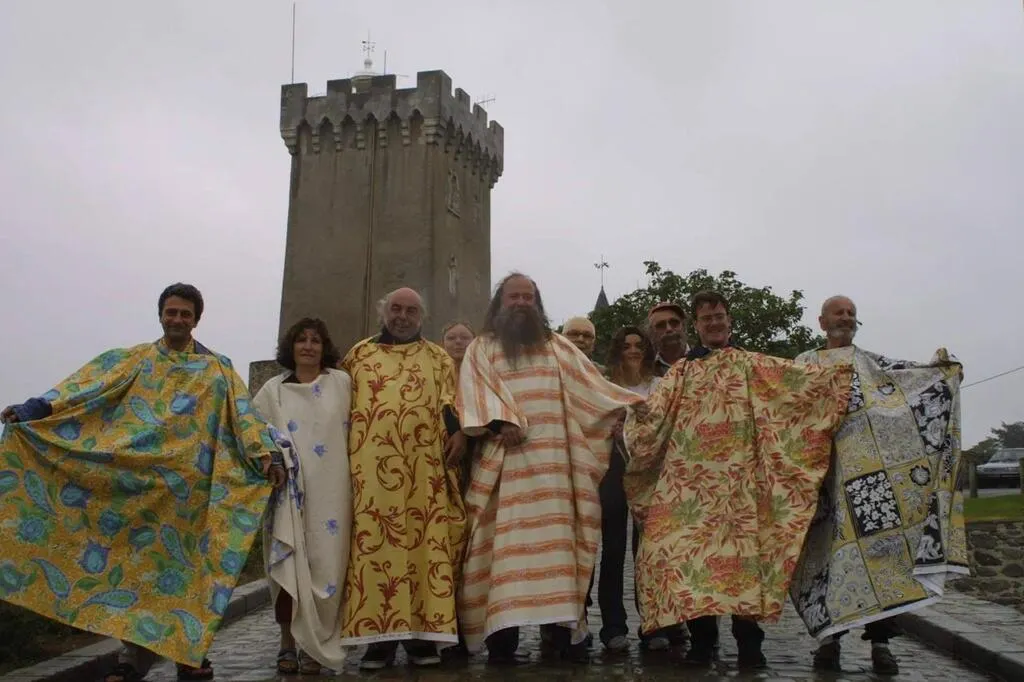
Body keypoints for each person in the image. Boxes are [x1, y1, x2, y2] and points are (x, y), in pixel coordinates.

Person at [0, 283, 286, 682]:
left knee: (188, 579)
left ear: (196, 319)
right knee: (136, 578)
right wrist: (35, 409)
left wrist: (267, 456)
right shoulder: (134, 360)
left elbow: (244, 418)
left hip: (188, 497)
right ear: (160, 315)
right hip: (137, 492)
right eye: (172, 312)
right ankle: (131, 659)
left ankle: (191, 657)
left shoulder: (217, 369)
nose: (178, 320)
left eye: (186, 314)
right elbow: (84, 388)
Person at [623, 290, 853, 670]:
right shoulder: (682, 371)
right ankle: (702, 642)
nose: (714, 323)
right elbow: (653, 414)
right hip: (691, 490)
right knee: (693, 563)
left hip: (742, 489)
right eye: (706, 318)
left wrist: (850, 377)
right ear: (696, 326)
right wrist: (629, 413)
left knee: (745, 565)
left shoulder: (753, 364)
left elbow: (805, 386)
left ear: (729, 321)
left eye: (720, 316)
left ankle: (750, 646)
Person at [455, 273, 644, 665]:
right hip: (504, 477)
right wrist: (498, 422)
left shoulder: (558, 347)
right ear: (500, 303)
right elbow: (472, 395)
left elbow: (594, 390)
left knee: (558, 556)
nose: (521, 302)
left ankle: (560, 632)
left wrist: (632, 405)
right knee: (500, 557)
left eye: (528, 296)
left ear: (537, 303)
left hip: (557, 475)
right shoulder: (482, 348)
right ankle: (501, 637)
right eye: (514, 296)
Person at [789, 296, 966, 675]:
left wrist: (943, 375)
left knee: (882, 560)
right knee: (826, 559)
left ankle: (881, 644)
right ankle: (828, 640)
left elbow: (908, 380)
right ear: (822, 322)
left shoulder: (871, 363)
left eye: (851, 313)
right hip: (822, 482)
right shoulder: (805, 364)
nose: (847, 318)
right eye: (839, 313)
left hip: (873, 486)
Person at [339, 288, 467, 670]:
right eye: (396, 308)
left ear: (421, 316)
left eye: (411, 310)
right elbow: (338, 406)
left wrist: (458, 432)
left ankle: (420, 639)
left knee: (422, 552)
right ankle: (378, 642)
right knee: (375, 554)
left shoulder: (438, 357)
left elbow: (452, 402)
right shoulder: (358, 356)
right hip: (369, 476)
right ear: (384, 311)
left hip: (423, 473)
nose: (402, 316)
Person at [252, 318, 351, 675]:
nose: (308, 346)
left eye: (315, 340)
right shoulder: (272, 391)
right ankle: (287, 643)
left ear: (324, 347)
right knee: (287, 568)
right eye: (301, 340)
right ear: (290, 347)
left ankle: (320, 644)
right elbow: (255, 434)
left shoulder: (342, 384)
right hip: (287, 494)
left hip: (333, 494)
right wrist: (270, 459)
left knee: (328, 568)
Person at [587, 326, 660, 653]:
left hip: (651, 472)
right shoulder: (604, 386)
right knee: (613, 550)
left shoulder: (659, 385)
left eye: (639, 345)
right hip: (613, 468)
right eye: (627, 345)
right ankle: (612, 626)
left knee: (649, 552)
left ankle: (653, 622)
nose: (633, 350)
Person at [646, 301, 689, 375]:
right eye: (661, 325)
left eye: (674, 323)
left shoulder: (704, 359)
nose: (669, 329)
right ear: (651, 333)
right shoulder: (646, 371)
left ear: (684, 327)